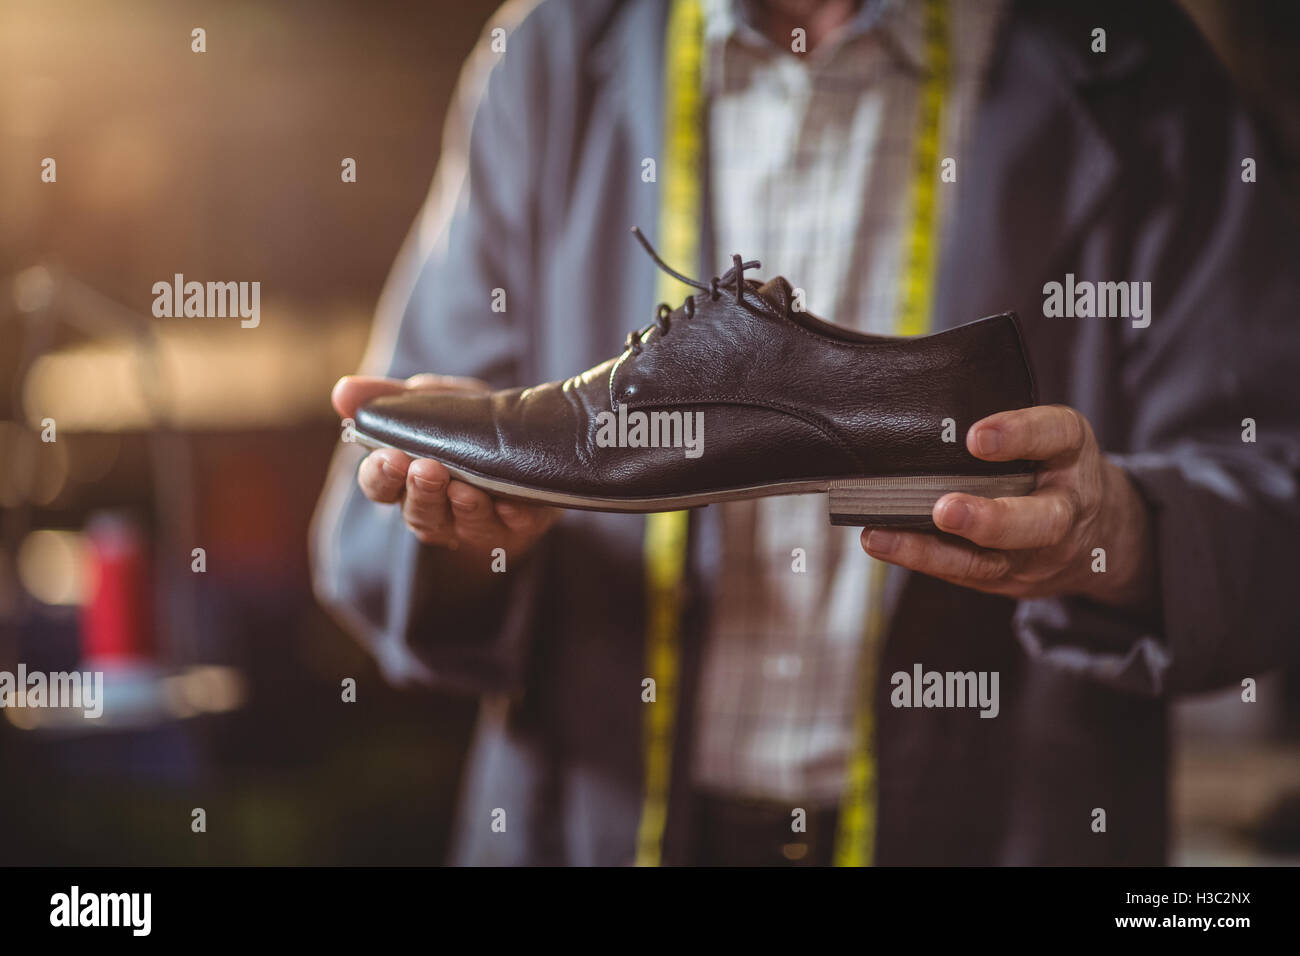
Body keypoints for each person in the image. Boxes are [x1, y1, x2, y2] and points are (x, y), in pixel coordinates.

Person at [310, 0, 1300, 865]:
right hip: (591, 822)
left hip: (1002, 828)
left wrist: (1112, 526)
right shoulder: (549, 49)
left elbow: (1276, 497)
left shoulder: (1133, 61)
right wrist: (471, 534)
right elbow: (360, 547)